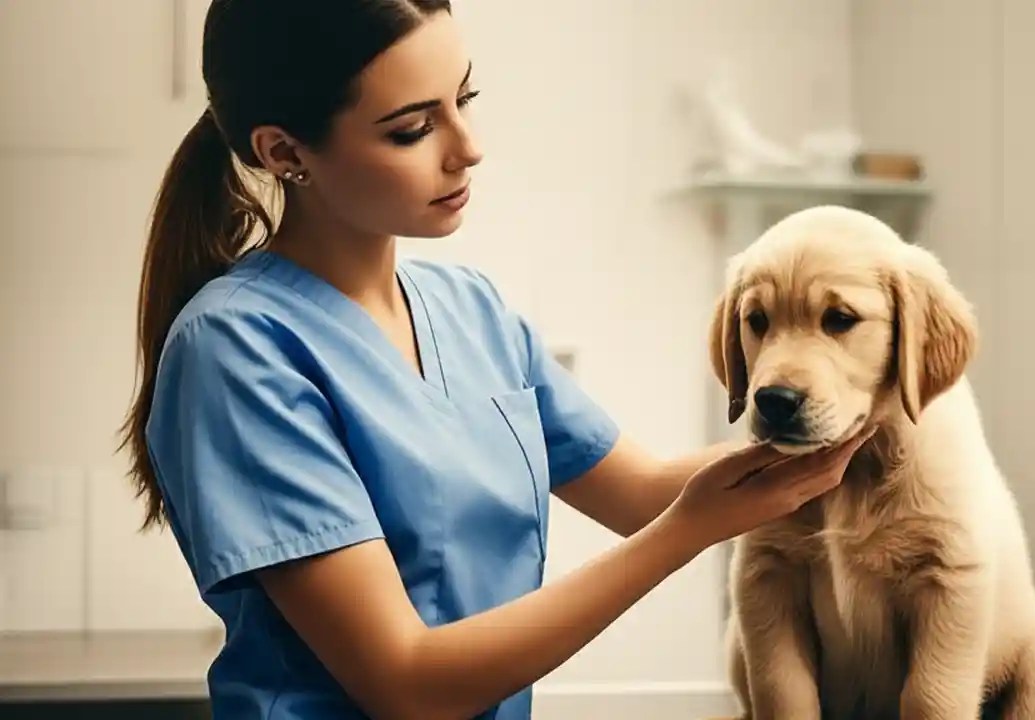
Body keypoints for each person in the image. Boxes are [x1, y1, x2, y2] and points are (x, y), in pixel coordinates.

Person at [119, 2, 859, 719]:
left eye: (464, 99)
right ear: (284, 153)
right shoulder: (236, 348)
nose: (467, 146)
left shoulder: (472, 310)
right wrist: (687, 532)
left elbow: (644, 492)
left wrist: (846, 437)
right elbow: (409, 686)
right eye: (412, 129)